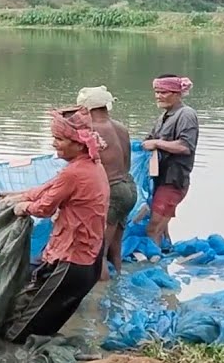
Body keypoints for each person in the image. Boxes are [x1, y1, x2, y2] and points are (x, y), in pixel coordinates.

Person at [0, 108, 109, 344]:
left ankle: (10, 359)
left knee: (21, 330)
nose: (53, 144)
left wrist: (23, 207)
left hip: (71, 261)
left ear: (78, 144)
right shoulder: (91, 165)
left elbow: (45, 207)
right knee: (46, 322)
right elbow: (49, 188)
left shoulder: (74, 173)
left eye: (59, 139)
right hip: (89, 257)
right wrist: (17, 195)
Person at [75, 86, 135, 280]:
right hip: (129, 188)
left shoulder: (90, 131)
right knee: (114, 249)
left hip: (112, 192)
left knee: (97, 253)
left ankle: (100, 297)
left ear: (86, 108)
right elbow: (127, 163)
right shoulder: (121, 127)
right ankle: (116, 280)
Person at [142, 74, 199, 250]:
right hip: (160, 178)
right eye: (156, 92)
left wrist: (157, 143)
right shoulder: (164, 117)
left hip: (173, 180)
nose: (158, 96)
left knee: (153, 228)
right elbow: (148, 140)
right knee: (162, 228)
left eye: (163, 92)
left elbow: (185, 146)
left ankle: (154, 265)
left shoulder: (186, 114)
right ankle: (165, 254)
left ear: (176, 93)